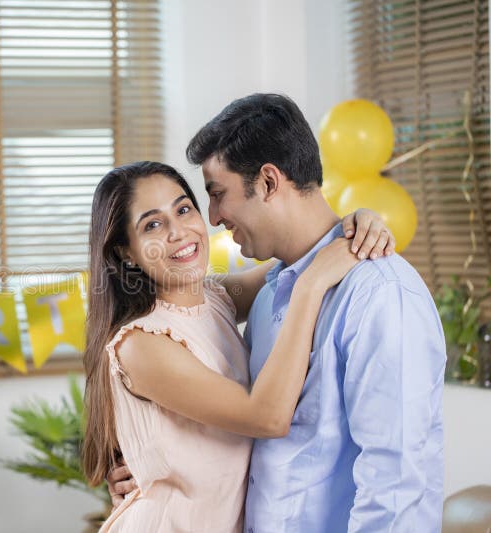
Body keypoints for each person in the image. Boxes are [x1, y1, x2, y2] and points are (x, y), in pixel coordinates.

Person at [110, 94, 446, 532]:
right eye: (153, 224)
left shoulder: (380, 293)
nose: (212, 219)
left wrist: (357, 221)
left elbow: (399, 486)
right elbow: (254, 430)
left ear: (268, 182)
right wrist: (165, 469)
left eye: (215, 195)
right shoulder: (268, 293)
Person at [82, 160, 394, 532]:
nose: (179, 232)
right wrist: (311, 288)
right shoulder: (141, 345)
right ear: (126, 253)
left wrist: (359, 221)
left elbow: (306, 249)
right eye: (152, 225)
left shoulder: (216, 299)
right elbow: (267, 416)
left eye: (183, 209)